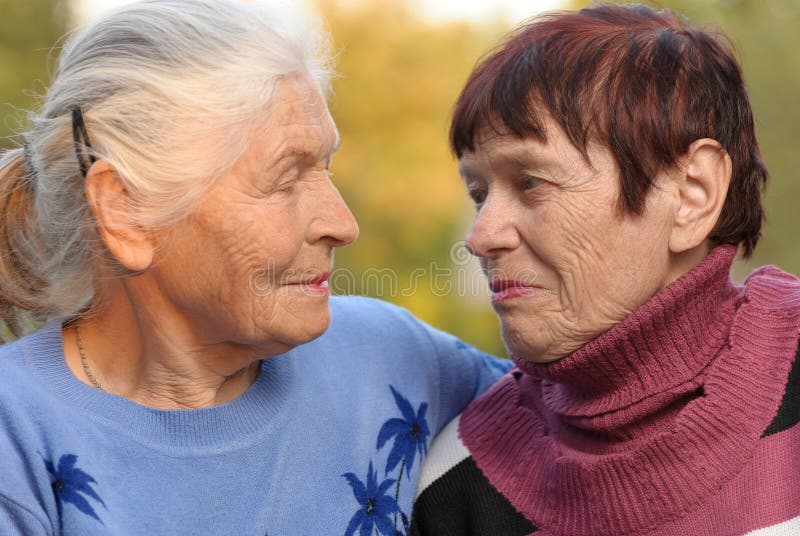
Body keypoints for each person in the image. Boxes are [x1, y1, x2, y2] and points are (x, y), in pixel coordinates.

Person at [0, 1, 510, 534]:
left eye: (326, 169)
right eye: (285, 180)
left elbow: (582, 414)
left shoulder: (391, 360)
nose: (342, 223)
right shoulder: (16, 435)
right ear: (125, 211)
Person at [411, 4, 800, 535]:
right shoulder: (455, 485)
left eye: (530, 182)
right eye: (479, 194)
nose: (480, 237)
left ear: (692, 194)